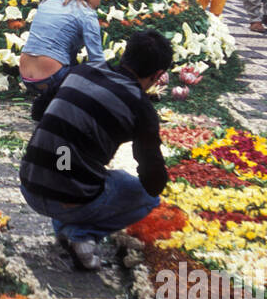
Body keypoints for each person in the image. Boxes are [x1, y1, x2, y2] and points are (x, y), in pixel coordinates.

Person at [19, 28, 173, 271]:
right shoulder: (140, 107)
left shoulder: (81, 71)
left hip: (29, 183)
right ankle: (80, 233)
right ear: (157, 75)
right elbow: (152, 181)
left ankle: (65, 230)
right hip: (66, 196)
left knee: (68, 162)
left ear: (124, 54)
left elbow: (38, 112)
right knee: (147, 198)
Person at [19, 0, 108, 116]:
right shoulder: (87, 14)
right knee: (89, 74)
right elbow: (97, 61)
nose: (99, 3)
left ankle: (48, 102)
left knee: (69, 56)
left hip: (25, 75)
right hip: (51, 77)